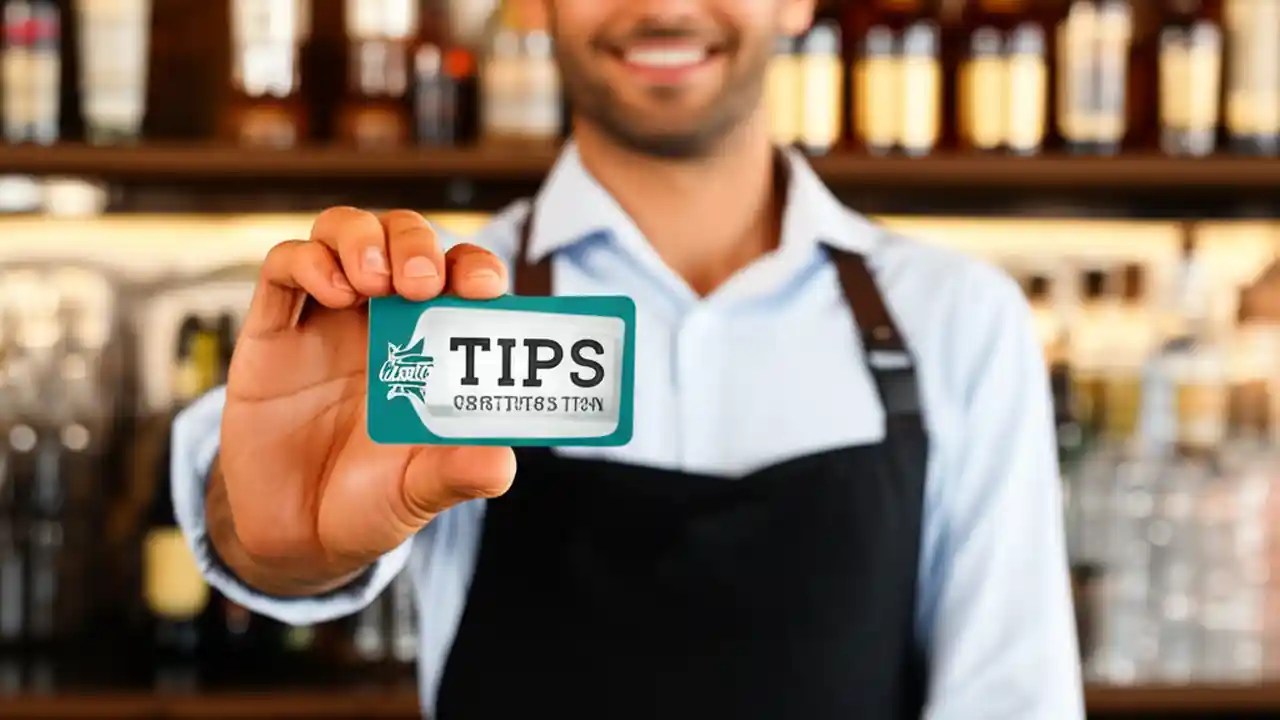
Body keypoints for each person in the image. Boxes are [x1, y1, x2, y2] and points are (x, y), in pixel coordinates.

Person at [171, 0, 1085, 717]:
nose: (663, 6)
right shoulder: (431, 304)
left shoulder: (958, 320)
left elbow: (1010, 698)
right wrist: (280, 542)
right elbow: (254, 518)